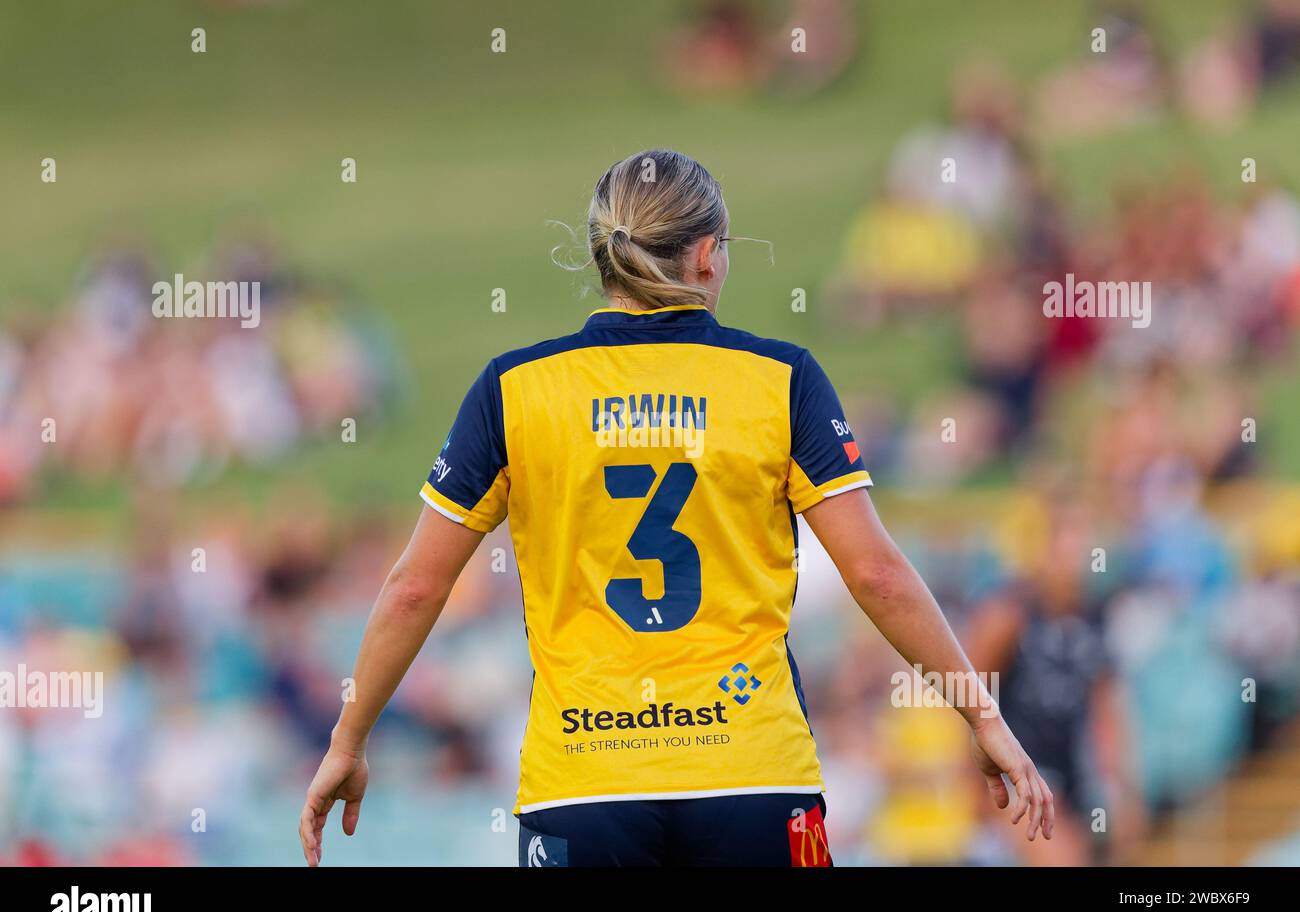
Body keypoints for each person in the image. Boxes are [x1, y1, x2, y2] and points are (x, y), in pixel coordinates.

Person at [299, 149, 1054, 867]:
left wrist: (347, 740)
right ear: (704, 256)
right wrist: (982, 717)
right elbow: (879, 576)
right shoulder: (779, 379)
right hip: (753, 777)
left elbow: (414, 588)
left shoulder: (514, 390)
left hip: (584, 787)